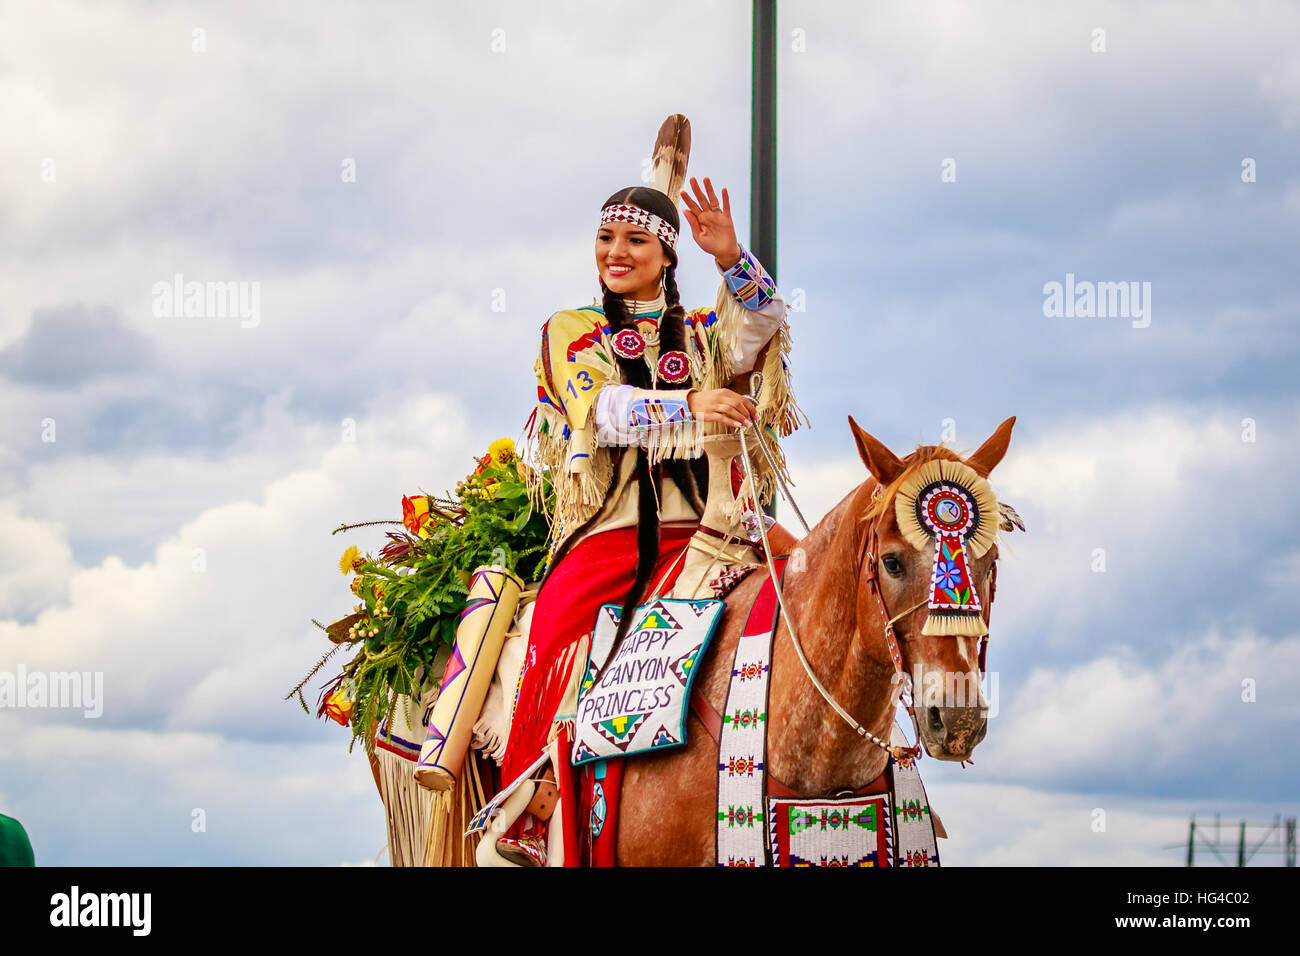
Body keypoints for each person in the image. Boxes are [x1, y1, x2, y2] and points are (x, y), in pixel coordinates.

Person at [498, 121, 804, 867]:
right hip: (612, 538)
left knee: (823, 581)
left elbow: (762, 327)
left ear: (667, 253)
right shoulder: (568, 329)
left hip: (719, 527)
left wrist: (731, 258)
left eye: (633, 241)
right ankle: (526, 816)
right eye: (605, 240)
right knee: (553, 646)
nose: (614, 254)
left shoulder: (701, 330)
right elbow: (600, 411)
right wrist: (690, 406)